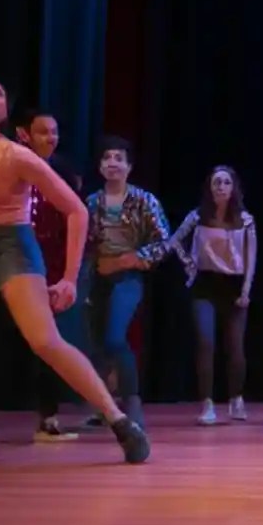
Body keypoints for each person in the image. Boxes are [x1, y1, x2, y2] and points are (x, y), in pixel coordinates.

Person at [0, 80, 148, 462]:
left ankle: (121, 422)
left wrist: (69, 278)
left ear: (4, 114)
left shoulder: (17, 157)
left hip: (13, 249)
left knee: (44, 341)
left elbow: (76, 210)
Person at [82, 136, 172, 430]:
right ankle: (103, 407)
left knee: (115, 338)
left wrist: (130, 259)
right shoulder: (92, 202)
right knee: (97, 344)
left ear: (129, 166)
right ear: (100, 165)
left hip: (128, 276)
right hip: (97, 277)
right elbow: (83, 242)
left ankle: (132, 405)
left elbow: (163, 243)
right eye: (107, 158)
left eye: (119, 158)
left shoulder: (144, 201)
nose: (112, 163)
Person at [169, 165, 257, 425]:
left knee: (235, 346)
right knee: (206, 342)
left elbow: (251, 257)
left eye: (226, 183)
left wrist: (246, 291)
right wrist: (189, 263)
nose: (221, 188)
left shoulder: (245, 219)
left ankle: (236, 398)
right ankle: (207, 403)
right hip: (205, 284)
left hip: (234, 285)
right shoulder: (198, 217)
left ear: (233, 188)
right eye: (216, 183)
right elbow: (174, 241)